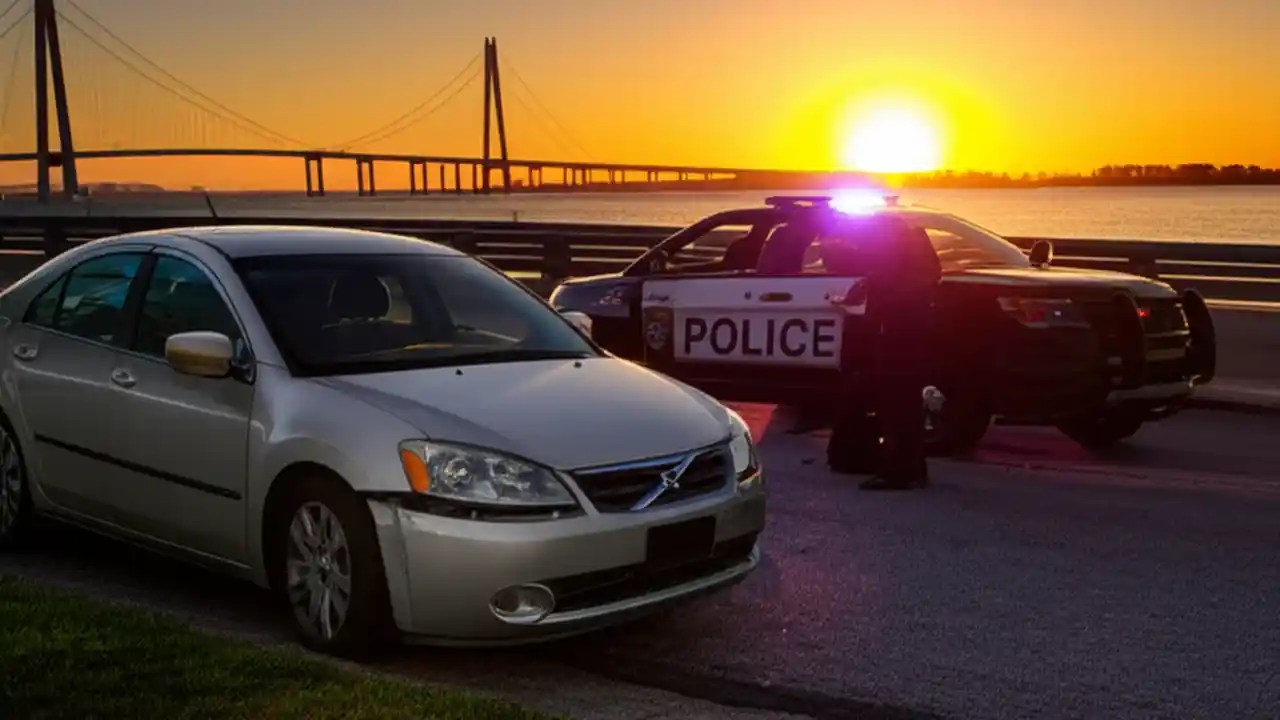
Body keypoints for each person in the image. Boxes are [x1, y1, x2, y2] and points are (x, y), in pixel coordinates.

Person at [823, 215, 941, 490]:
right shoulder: (918, 258)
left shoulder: (894, 260)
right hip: (914, 334)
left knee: (896, 402)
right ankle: (912, 466)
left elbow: (887, 287)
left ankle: (898, 472)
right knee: (907, 402)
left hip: (898, 335)